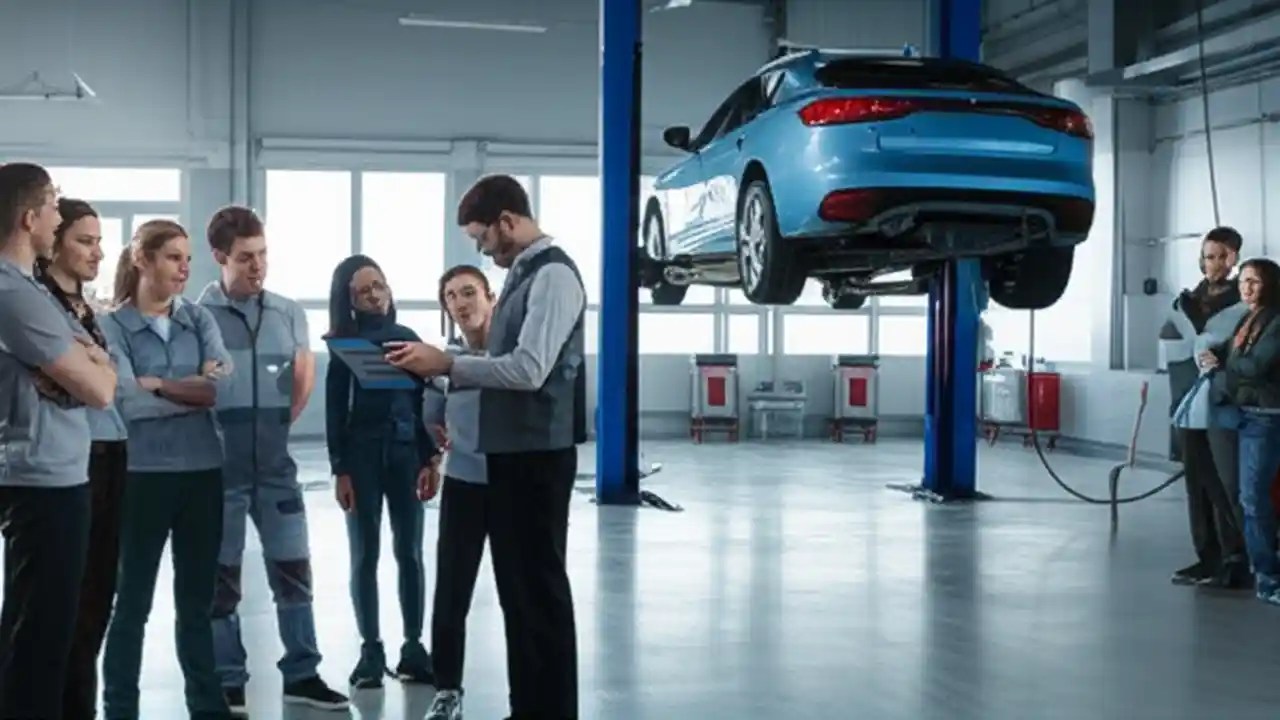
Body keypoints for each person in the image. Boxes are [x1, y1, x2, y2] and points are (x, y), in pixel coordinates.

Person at [386, 174, 586, 720]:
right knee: (518, 596)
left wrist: (448, 364)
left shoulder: (555, 277)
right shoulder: (526, 274)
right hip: (511, 459)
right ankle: (530, 709)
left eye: (483, 237)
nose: (481, 249)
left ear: (507, 222)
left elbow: (528, 370)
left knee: (539, 595)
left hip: (538, 458)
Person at [195, 206, 348, 715]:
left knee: (294, 573)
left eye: (262, 254)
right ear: (220, 257)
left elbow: (301, 382)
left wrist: (276, 428)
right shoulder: (197, 318)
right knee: (222, 581)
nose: (258, 266)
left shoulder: (288, 313)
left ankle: (302, 674)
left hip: (277, 471)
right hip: (220, 475)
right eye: (245, 258)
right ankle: (228, 679)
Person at [99, 220, 233, 720]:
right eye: (174, 258)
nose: (185, 269)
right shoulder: (112, 325)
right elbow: (125, 400)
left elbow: (221, 389)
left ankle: (206, 705)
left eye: (188, 259)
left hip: (203, 474)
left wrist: (159, 384)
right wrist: (188, 388)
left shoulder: (198, 320)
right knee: (131, 602)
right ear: (143, 261)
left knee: (197, 603)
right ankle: (119, 708)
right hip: (142, 476)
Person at [0, 163, 116, 719]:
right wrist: (88, 363)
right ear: (30, 217)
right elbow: (98, 387)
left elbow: (98, 370)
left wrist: (86, 364)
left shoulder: (29, 290)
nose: (56, 216)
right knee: (38, 639)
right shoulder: (13, 294)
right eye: (53, 207)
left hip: (61, 473)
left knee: (47, 630)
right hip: (41, 480)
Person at [34, 197, 132, 718]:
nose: (98, 252)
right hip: (72, 460)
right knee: (62, 606)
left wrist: (98, 368)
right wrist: (96, 369)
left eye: (99, 241)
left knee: (98, 601)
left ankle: (81, 708)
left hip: (113, 452)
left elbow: (115, 385)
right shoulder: (38, 305)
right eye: (84, 241)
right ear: (52, 241)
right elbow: (89, 384)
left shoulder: (91, 309)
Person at [324, 254, 440, 690]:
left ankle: (414, 647)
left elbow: (422, 403)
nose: (375, 295)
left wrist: (431, 459)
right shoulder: (343, 345)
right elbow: (336, 411)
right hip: (363, 458)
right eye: (363, 290)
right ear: (349, 301)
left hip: (407, 455)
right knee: (365, 554)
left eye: (380, 286)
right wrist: (341, 469)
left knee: (409, 552)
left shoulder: (407, 338)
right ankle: (371, 650)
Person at [423, 264, 498, 720]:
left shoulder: (514, 356)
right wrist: (432, 454)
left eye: (469, 292)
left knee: (522, 596)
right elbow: (432, 419)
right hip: (464, 485)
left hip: (514, 487)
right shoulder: (443, 364)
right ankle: (447, 690)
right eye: (451, 297)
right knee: (451, 590)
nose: (461, 303)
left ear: (490, 297)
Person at [1162, 227, 1250, 589]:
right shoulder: (1185, 302)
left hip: (1222, 402)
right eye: (1208, 256)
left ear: (1234, 259)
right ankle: (1206, 557)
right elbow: (1170, 341)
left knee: (1225, 484)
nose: (1214, 264)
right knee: (1196, 482)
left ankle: (1235, 559)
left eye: (1222, 256)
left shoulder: (1245, 303)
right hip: (1187, 402)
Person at [1201, 256, 1280, 606]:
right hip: (1240, 411)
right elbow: (1236, 355)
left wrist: (1224, 363)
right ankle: (1249, 563)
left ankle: (1268, 577)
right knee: (1237, 492)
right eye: (1244, 281)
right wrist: (1214, 354)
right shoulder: (1248, 318)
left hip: (1265, 415)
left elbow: (1257, 365)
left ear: (1271, 284)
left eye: (1255, 281)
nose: (1247, 288)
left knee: (1253, 498)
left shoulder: (1276, 320)